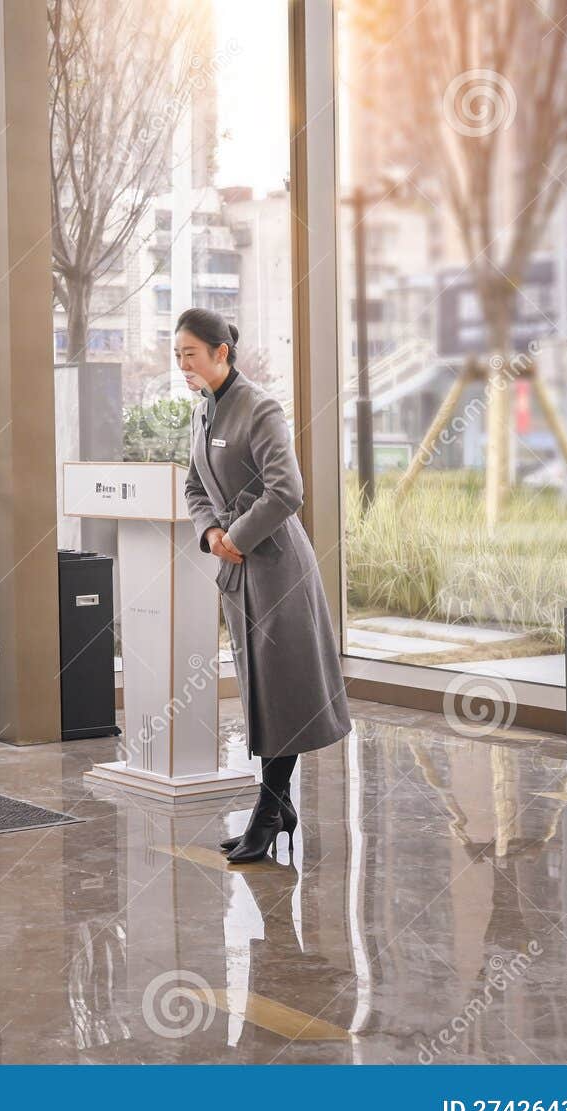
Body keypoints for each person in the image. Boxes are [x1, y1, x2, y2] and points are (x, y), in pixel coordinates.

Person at [176, 307, 352, 863]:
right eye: (177, 356)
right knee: (259, 690)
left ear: (221, 352)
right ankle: (277, 807)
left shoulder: (261, 407)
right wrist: (211, 535)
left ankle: (267, 813)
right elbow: (193, 485)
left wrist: (239, 537)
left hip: (276, 567)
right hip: (235, 568)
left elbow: (287, 490)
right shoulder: (203, 413)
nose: (183, 365)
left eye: (191, 354)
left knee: (281, 690)